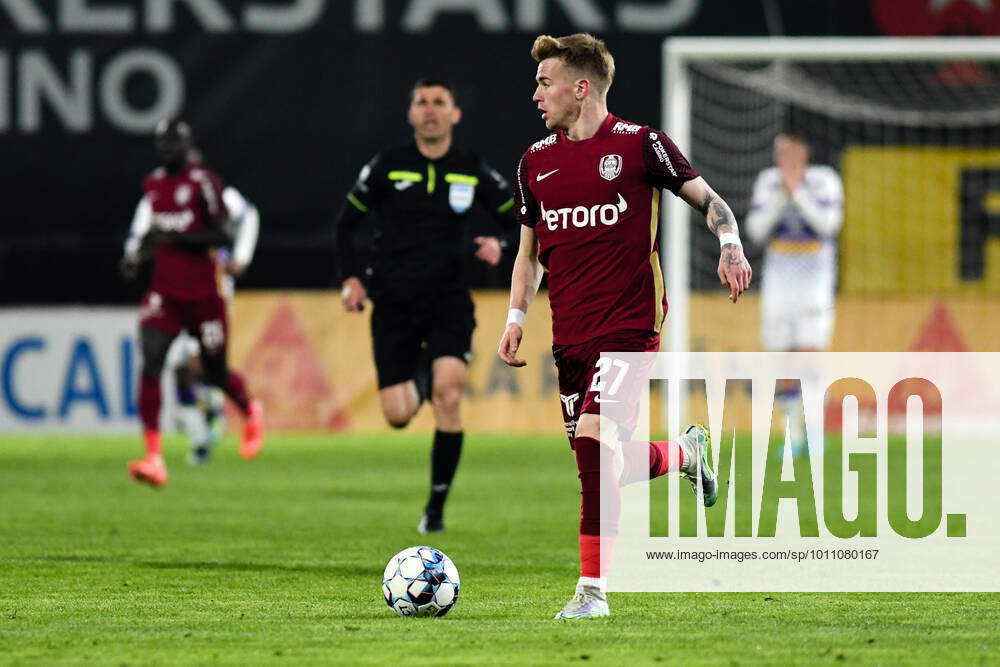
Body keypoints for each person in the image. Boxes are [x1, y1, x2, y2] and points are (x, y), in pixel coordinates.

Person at [497, 34, 752, 619]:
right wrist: (516, 318)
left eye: (545, 82)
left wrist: (731, 246)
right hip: (571, 336)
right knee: (603, 463)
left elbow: (713, 201)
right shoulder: (535, 162)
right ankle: (686, 455)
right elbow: (528, 255)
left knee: (592, 446)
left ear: (580, 88)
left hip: (630, 327)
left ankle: (593, 593)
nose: (536, 93)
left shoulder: (641, 146)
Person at [335, 79, 516, 534]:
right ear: (410, 113)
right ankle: (423, 369)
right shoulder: (387, 166)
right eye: (422, 102)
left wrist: (502, 242)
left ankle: (435, 509)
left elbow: (522, 218)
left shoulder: (469, 167)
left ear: (455, 114)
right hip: (393, 302)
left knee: (448, 396)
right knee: (397, 416)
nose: (430, 110)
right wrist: (352, 279)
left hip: (449, 299)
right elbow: (345, 226)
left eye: (440, 103)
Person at [120, 118, 264, 487]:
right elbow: (147, 230)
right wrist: (135, 255)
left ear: (188, 147)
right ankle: (155, 456)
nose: (169, 150)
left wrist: (238, 257)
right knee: (153, 364)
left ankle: (249, 410)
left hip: (205, 294)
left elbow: (225, 229)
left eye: (176, 143)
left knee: (213, 371)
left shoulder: (205, 183)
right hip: (165, 293)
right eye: (163, 143)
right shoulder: (151, 186)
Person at [745, 132, 843, 454]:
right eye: (779, 151)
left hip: (814, 285)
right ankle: (793, 435)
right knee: (784, 364)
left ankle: (814, 433)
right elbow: (756, 231)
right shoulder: (768, 181)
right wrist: (782, 195)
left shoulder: (825, 180)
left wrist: (797, 191)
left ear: (804, 150)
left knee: (809, 359)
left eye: (788, 150)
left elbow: (829, 224)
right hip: (778, 285)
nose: (782, 157)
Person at [160, 182, 260, 465]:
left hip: (209, 289)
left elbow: (250, 215)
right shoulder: (166, 198)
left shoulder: (219, 196)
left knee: (194, 362)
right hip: (178, 289)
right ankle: (202, 435)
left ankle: (220, 413)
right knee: (181, 368)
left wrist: (241, 257)